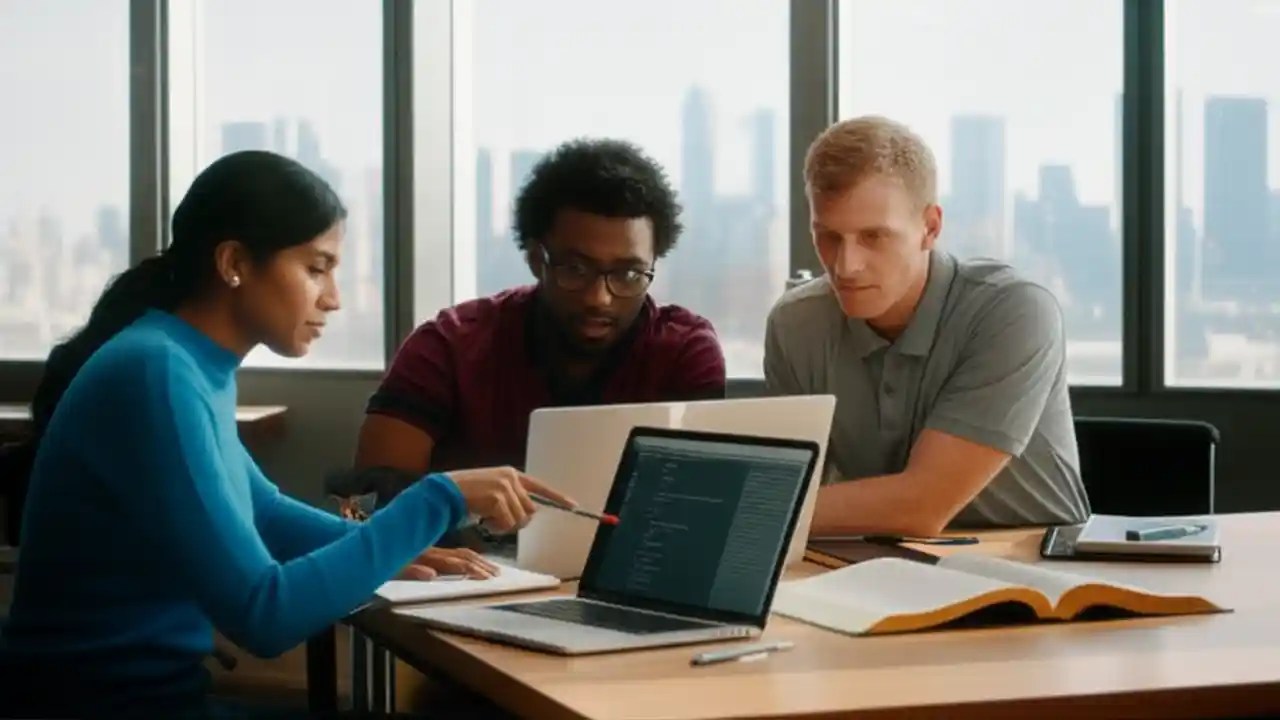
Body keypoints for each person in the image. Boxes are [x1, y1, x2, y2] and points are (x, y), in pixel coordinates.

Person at [0, 151, 571, 719]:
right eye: (316, 268)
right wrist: (437, 498)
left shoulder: (185, 363)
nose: (334, 297)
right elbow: (265, 617)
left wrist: (397, 550)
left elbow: (264, 512)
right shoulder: (157, 372)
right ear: (234, 263)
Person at [351, 139, 725, 574]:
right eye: (575, 269)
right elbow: (370, 496)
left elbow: (698, 510)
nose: (599, 298)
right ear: (535, 259)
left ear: (652, 265)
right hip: (464, 580)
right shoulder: (450, 344)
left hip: (633, 578)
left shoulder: (684, 350)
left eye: (627, 274)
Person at [765, 116, 1090, 536]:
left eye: (873, 237)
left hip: (1039, 574)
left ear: (930, 227)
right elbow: (794, 485)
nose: (845, 266)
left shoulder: (1016, 311)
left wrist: (755, 507)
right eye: (828, 236)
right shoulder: (795, 325)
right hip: (878, 564)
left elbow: (921, 505)